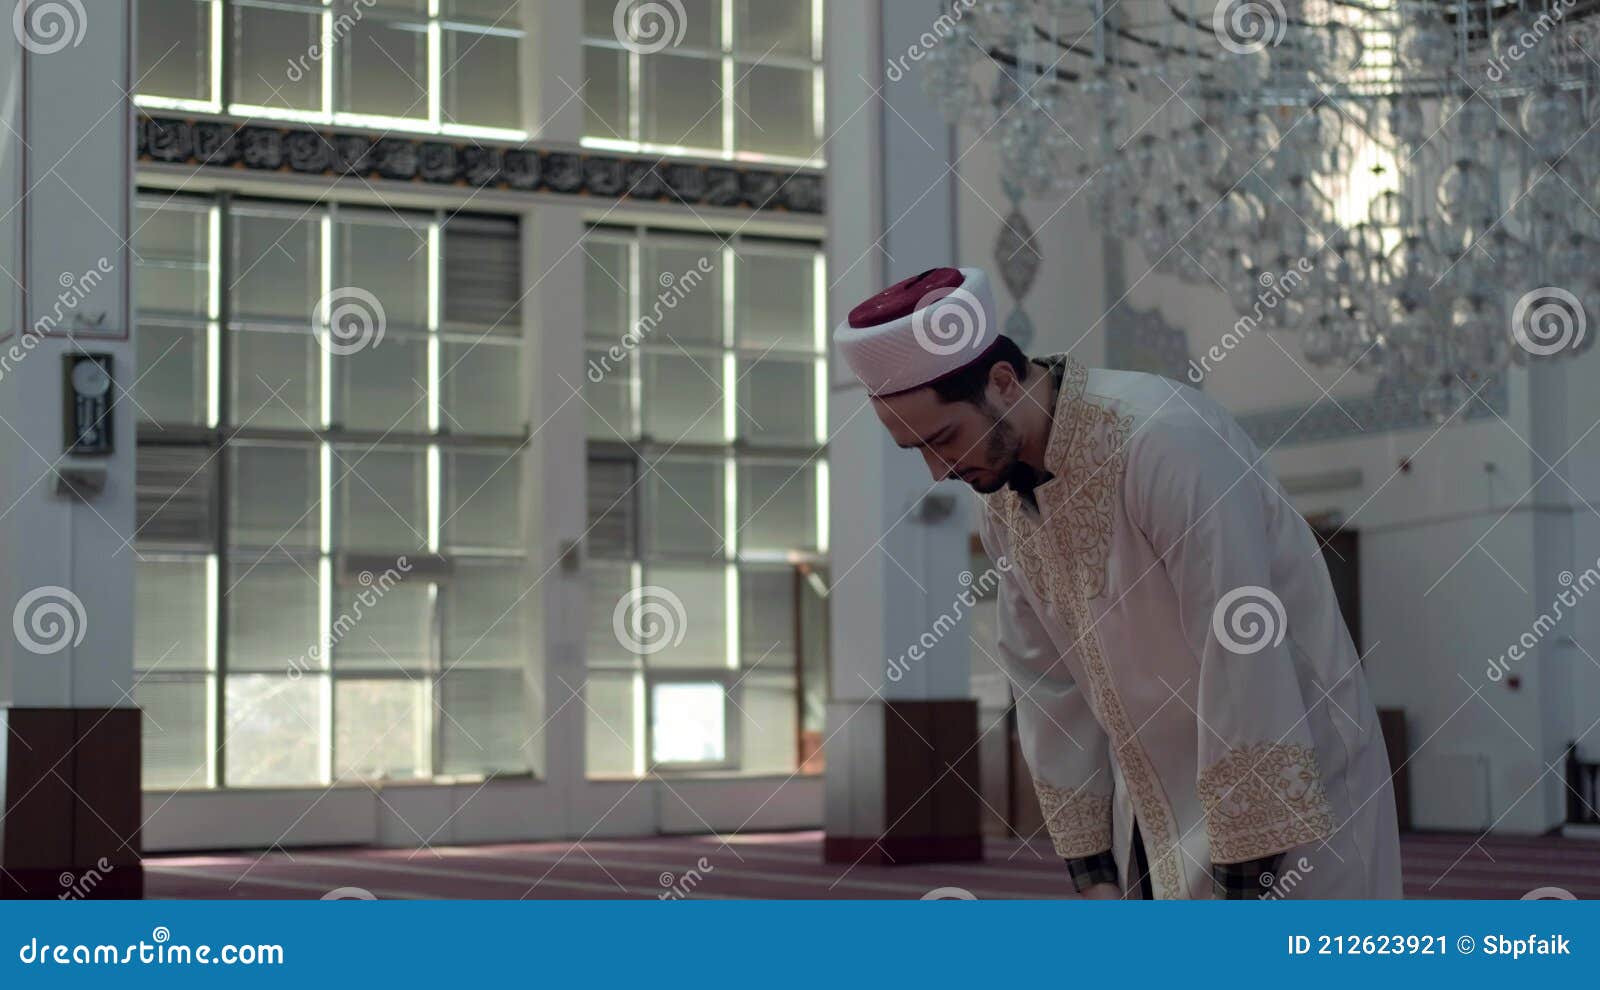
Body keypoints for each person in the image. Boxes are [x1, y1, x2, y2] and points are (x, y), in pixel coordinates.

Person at [834, 266, 1403, 899]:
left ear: (1001, 382)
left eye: (942, 439)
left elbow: (1242, 647)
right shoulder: (998, 491)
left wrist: (1248, 874)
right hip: (1154, 799)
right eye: (916, 451)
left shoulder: (1162, 439)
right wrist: (1092, 865)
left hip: (1289, 785)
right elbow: (1045, 679)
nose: (938, 471)